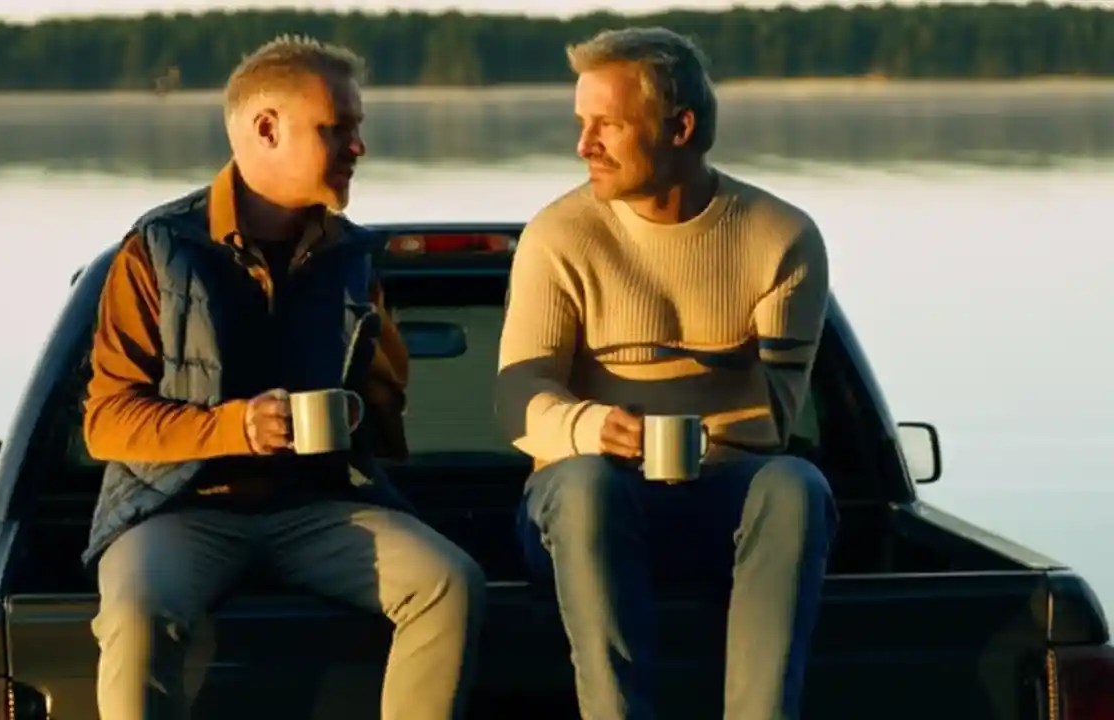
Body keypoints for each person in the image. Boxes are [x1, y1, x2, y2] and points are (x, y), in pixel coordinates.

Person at [81, 35, 484, 720]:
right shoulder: (157, 249)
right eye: (341, 129)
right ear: (267, 128)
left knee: (452, 583)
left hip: (319, 510)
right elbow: (106, 421)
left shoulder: (352, 253)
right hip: (180, 508)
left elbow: (383, 414)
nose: (359, 146)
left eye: (358, 129)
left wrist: (369, 405)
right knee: (140, 608)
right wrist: (235, 425)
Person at [495, 27, 836, 720]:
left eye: (608, 126)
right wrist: (593, 426)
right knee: (588, 482)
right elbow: (515, 401)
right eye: (581, 124)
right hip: (581, 506)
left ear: (680, 127)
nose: (583, 145)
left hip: (722, 497)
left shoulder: (781, 237)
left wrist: (665, 407)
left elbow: (770, 422)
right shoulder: (559, 235)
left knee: (796, 484)